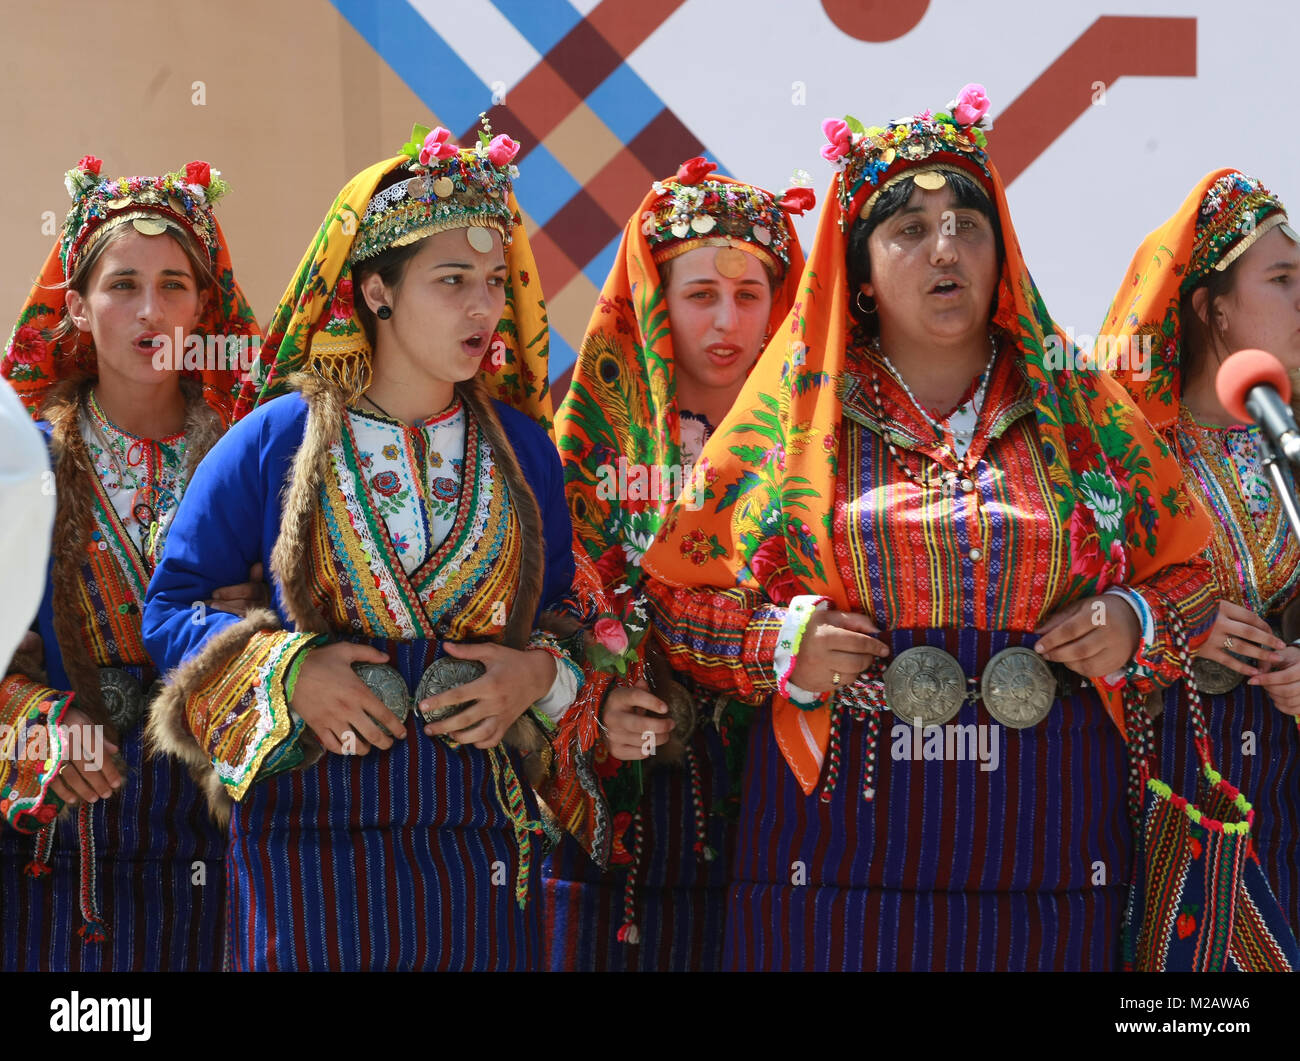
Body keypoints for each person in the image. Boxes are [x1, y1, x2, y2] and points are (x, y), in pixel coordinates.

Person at [641, 88, 1225, 970]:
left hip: (1050, 849)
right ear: (861, 270)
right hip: (835, 853)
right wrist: (778, 643)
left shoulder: (1075, 408)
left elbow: (1197, 572)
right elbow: (677, 599)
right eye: (908, 228)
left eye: (967, 222)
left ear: (1002, 254)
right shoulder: (797, 415)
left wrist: (1134, 623)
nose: (944, 246)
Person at [142, 122, 595, 971]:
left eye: (495, 281)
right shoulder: (278, 437)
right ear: (377, 293)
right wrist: (286, 671)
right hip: (307, 847)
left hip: (479, 847)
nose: (482, 307)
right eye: (451, 280)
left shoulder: (526, 449)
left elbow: (571, 615)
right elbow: (169, 609)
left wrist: (538, 674)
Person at [543, 160, 810, 970]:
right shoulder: (586, 450)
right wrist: (594, 704)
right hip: (624, 837)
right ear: (655, 305)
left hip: (793, 807)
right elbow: (538, 614)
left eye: (749, 294)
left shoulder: (819, 449)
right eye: (700, 296)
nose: (727, 319)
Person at [0, 155, 262, 969]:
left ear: (204, 305)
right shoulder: (18, 460)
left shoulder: (255, 458)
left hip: (222, 826)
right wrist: (32, 720)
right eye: (122, 285)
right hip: (66, 825)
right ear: (76, 306)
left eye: (175, 284)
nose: (151, 309)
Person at [1102, 169, 1300, 931]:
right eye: (1280, 279)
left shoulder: (1289, 450)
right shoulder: (1128, 451)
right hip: (1156, 770)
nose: (1299, 297)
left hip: (1279, 777)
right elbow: (1067, 608)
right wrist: (1174, 622)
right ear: (1211, 307)